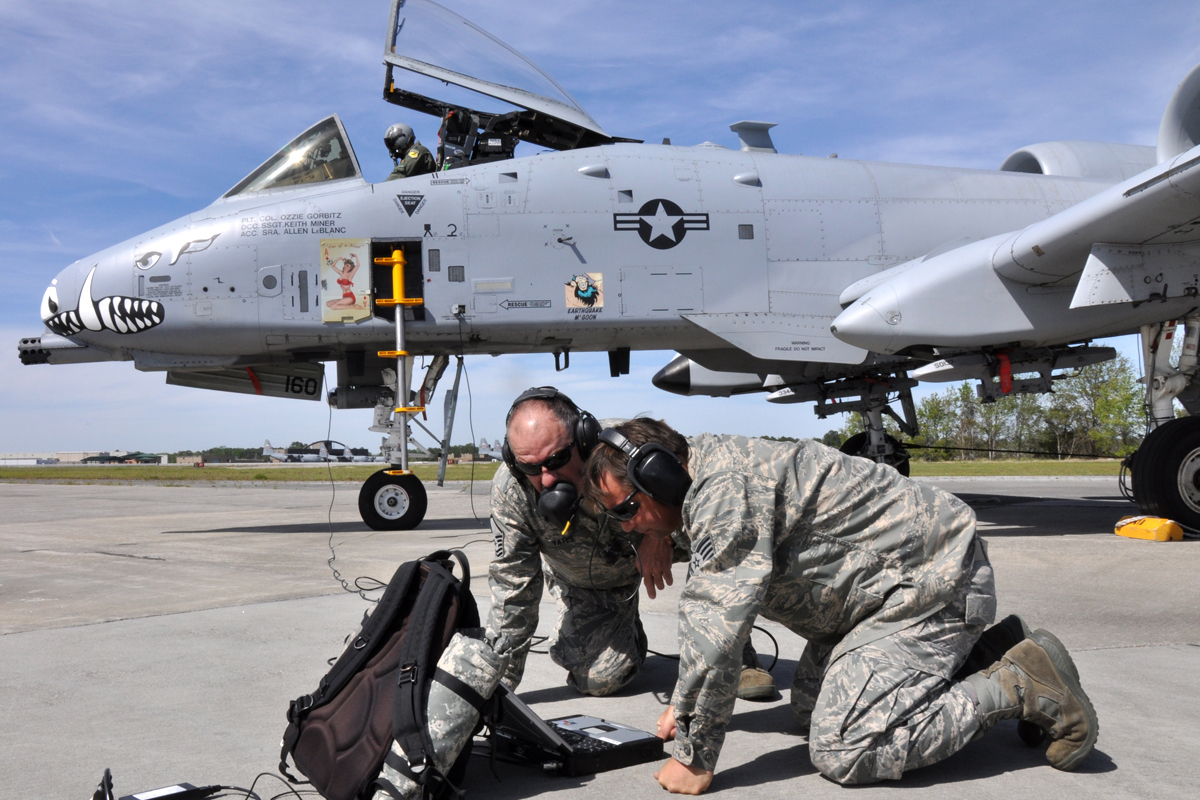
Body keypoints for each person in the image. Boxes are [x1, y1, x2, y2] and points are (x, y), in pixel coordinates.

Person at [583, 419, 1098, 793]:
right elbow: (708, 624)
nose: (626, 524)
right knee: (809, 710)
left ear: (660, 477)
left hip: (932, 585)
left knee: (844, 745)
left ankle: (1021, 684)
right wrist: (687, 697)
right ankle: (989, 652)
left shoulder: (723, 494)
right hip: (883, 597)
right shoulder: (705, 471)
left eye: (627, 509)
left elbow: (717, 632)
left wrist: (694, 755)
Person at [485, 388, 775, 700]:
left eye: (557, 460)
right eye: (531, 467)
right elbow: (513, 591)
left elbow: (697, 486)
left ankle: (734, 652)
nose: (547, 480)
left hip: (662, 531)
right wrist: (495, 689)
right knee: (600, 679)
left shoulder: (628, 450)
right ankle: (623, 628)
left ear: (582, 438)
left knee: (717, 533)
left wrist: (658, 534)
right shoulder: (511, 492)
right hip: (593, 582)